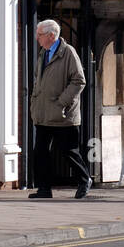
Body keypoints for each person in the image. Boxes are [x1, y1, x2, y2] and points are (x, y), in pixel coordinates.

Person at [29, 20, 91, 199]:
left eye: (39, 34)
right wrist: (35, 101)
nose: (37, 38)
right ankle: (44, 189)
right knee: (40, 152)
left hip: (63, 115)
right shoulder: (43, 53)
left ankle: (84, 180)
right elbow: (37, 81)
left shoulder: (68, 52)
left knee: (69, 152)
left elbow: (79, 80)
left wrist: (61, 103)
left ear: (51, 35)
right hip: (43, 113)